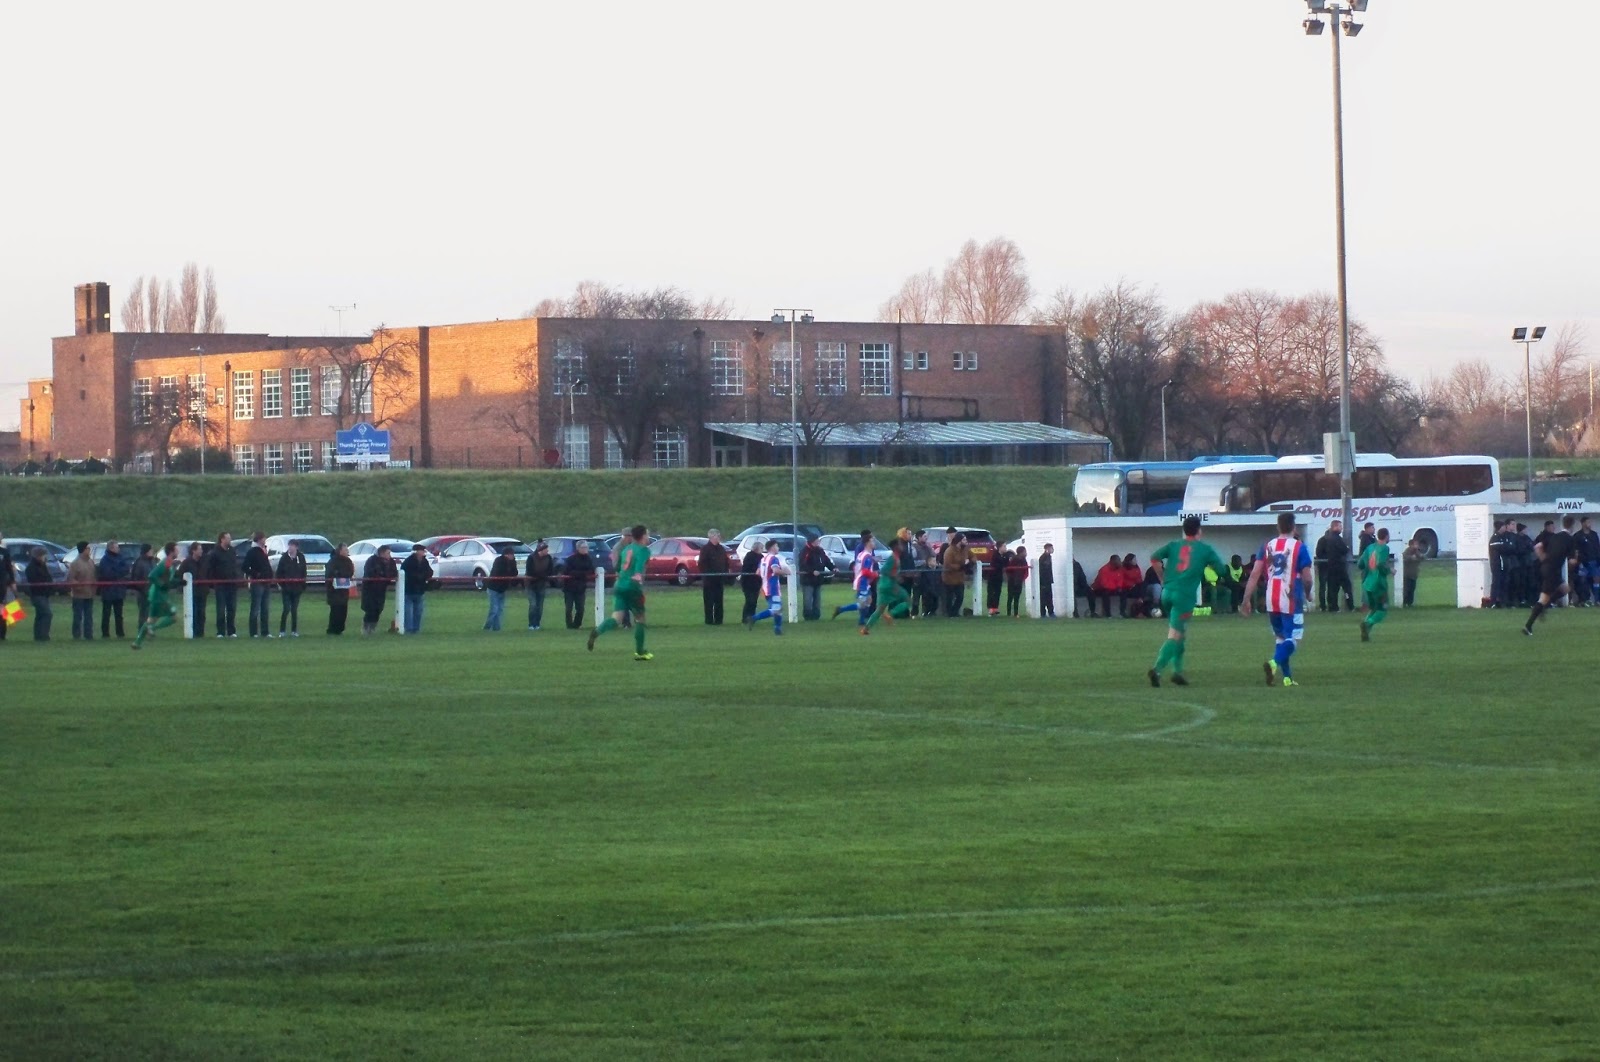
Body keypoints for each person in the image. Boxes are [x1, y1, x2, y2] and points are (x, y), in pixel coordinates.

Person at [1147, 516, 1227, 688]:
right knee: (1175, 635)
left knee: (1180, 633)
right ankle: (1157, 669)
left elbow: (1154, 558)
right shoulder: (1205, 549)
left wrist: (1162, 577)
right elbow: (1221, 570)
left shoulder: (1174, 544)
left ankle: (1177, 672)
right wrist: (1210, 568)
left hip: (1167, 593)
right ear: (1199, 530)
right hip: (1184, 596)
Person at [1241, 512, 1314, 687]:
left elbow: (1254, 575)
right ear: (1294, 528)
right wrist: (1308, 592)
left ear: (1278, 527)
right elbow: (1308, 577)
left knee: (1281, 638)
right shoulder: (1299, 547)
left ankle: (1287, 678)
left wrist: (1246, 600)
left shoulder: (1267, 546)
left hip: (1271, 599)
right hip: (1290, 598)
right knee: (1293, 640)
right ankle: (1273, 663)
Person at [587, 524, 653, 660]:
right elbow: (640, 566)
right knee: (640, 619)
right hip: (632, 586)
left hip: (619, 585)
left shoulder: (626, 549)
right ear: (642, 537)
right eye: (647, 534)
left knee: (616, 618)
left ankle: (597, 631)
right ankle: (640, 652)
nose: (648, 537)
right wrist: (638, 575)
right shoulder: (644, 550)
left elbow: (617, 566)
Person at [1524, 515, 1575, 636]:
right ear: (1572, 525)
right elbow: (1572, 560)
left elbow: (1537, 547)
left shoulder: (1554, 536)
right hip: (1553, 571)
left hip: (1546, 568)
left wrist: (1543, 559)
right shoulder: (1570, 539)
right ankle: (1529, 624)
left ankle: (1542, 609)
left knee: (1565, 589)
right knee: (1544, 598)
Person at [130, 543, 180, 650]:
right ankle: (152, 628)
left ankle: (137, 642)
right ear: (172, 551)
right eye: (177, 549)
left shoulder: (169, 563)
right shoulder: (166, 563)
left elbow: (166, 580)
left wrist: (178, 582)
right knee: (174, 616)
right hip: (160, 596)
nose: (178, 551)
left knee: (150, 620)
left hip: (156, 596)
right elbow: (152, 576)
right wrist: (161, 584)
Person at [864, 530, 914, 630]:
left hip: (882, 585)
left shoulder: (895, 557)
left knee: (879, 609)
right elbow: (884, 570)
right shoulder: (893, 558)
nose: (902, 546)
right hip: (889, 584)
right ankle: (890, 614)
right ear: (896, 547)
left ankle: (865, 629)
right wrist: (895, 579)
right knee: (908, 601)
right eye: (900, 545)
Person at [833, 530, 881, 631]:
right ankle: (841, 609)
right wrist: (875, 574)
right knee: (862, 604)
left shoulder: (862, 554)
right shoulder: (866, 556)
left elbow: (859, 567)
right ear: (868, 543)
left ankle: (861, 620)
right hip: (863, 582)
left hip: (861, 581)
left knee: (868, 601)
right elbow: (865, 571)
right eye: (872, 541)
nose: (874, 543)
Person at [745, 539, 789, 635]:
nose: (778, 548)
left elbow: (758, 572)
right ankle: (753, 618)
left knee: (777, 609)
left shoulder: (763, 559)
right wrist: (786, 572)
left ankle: (778, 629)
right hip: (772, 587)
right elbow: (776, 570)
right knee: (777, 609)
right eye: (777, 546)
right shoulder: (773, 558)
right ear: (772, 547)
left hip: (765, 588)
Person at [204, 533, 239, 637]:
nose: (230, 540)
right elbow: (209, 568)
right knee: (220, 609)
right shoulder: (215, 553)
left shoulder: (232, 551)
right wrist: (213, 582)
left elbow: (234, 566)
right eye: (228, 538)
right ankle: (220, 632)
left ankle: (231, 631)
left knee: (232, 608)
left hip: (232, 584)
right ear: (222, 539)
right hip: (220, 585)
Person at [96, 539, 132, 639]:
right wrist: (119, 573)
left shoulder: (120, 557)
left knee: (119, 614)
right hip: (108, 590)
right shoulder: (105, 560)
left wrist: (118, 572)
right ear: (111, 548)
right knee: (106, 613)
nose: (119, 549)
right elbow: (108, 574)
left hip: (119, 590)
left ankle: (120, 633)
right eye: (117, 547)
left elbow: (126, 569)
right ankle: (105, 633)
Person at [1315, 520, 1353, 612]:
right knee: (1346, 587)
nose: (1341, 528)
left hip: (1331, 567)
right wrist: (1346, 548)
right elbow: (1344, 549)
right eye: (1340, 526)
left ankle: (1332, 606)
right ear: (1334, 527)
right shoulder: (1337, 539)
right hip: (1339, 566)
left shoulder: (1326, 539)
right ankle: (1350, 605)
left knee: (1333, 588)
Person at [242, 531, 274, 638]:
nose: (265, 540)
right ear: (260, 539)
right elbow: (245, 567)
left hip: (266, 582)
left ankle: (265, 631)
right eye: (264, 538)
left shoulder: (263, 550)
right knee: (255, 608)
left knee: (265, 608)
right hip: (257, 583)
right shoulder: (252, 551)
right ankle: (254, 632)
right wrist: (256, 574)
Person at [360, 544, 397, 635]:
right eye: (388, 553)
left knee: (379, 609)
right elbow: (370, 573)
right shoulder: (371, 560)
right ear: (382, 553)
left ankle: (372, 628)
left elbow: (394, 572)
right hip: (370, 589)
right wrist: (381, 575)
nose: (389, 555)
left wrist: (387, 577)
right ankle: (366, 628)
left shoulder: (391, 562)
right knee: (370, 609)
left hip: (381, 589)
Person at [796, 532, 833, 622]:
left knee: (817, 599)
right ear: (812, 541)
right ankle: (808, 616)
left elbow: (826, 560)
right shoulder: (805, 551)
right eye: (817, 540)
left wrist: (833, 567)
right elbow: (802, 564)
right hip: (808, 580)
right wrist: (812, 571)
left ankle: (816, 616)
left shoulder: (820, 550)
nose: (819, 542)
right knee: (808, 599)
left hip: (818, 579)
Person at [275, 540, 307, 637]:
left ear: (296, 547)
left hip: (297, 588)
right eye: (289, 546)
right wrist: (281, 584)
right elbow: (279, 573)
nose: (290, 548)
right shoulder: (284, 558)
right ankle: (282, 631)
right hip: (286, 588)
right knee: (286, 609)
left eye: (292, 546)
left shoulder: (301, 557)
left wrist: (302, 585)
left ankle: (294, 631)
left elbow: (304, 572)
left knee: (294, 610)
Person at [484, 543, 520, 631]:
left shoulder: (512, 562)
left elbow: (515, 573)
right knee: (494, 609)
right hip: (493, 588)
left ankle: (496, 628)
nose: (513, 556)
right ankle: (487, 627)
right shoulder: (498, 561)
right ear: (507, 554)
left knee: (500, 610)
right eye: (511, 554)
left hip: (502, 589)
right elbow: (499, 573)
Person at [399, 542, 433, 634]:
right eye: (422, 551)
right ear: (417, 552)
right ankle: (409, 629)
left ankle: (416, 629)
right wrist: (419, 577)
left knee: (418, 611)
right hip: (409, 590)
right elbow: (407, 574)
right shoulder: (408, 562)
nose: (423, 553)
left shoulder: (424, 561)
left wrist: (423, 576)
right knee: (408, 612)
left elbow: (430, 572)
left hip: (420, 590)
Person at [177, 542, 209, 637]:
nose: (201, 551)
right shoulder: (186, 563)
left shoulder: (204, 561)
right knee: (193, 612)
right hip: (192, 592)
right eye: (199, 549)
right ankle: (193, 632)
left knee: (201, 613)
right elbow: (179, 575)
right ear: (193, 551)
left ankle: (200, 633)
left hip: (202, 591)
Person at [699, 530, 731, 625]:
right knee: (709, 601)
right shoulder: (705, 549)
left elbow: (726, 562)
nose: (719, 538)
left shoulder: (721, 549)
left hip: (720, 579)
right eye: (717, 536)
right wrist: (708, 574)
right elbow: (702, 564)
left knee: (719, 601)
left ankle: (719, 620)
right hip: (709, 580)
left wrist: (725, 572)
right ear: (712, 537)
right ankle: (709, 621)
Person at [562, 539, 595, 629]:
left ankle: (577, 624)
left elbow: (591, 570)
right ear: (578, 548)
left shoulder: (588, 559)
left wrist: (580, 574)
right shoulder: (571, 559)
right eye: (583, 547)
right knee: (569, 608)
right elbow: (568, 572)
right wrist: (582, 574)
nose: (585, 549)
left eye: (586, 547)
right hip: (569, 587)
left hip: (581, 587)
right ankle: (569, 625)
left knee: (580, 609)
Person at [24, 546, 54, 641]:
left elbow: (49, 578)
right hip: (37, 594)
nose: (45, 557)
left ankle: (38, 635)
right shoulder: (31, 568)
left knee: (40, 615)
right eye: (43, 555)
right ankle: (43, 635)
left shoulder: (42, 566)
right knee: (47, 614)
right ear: (38, 556)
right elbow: (36, 580)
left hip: (44, 594)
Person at [68, 541, 97, 640]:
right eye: (88, 548)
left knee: (89, 616)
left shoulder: (90, 562)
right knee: (78, 616)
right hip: (78, 595)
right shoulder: (75, 564)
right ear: (83, 549)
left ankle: (88, 634)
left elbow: (94, 576)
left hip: (90, 594)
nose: (90, 550)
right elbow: (71, 579)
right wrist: (79, 587)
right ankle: (76, 635)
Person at [525, 540, 555, 630]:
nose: (547, 551)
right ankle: (531, 624)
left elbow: (550, 570)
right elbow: (530, 571)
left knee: (540, 606)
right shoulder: (531, 558)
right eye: (546, 549)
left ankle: (537, 624)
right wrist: (542, 575)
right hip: (531, 585)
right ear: (541, 550)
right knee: (533, 605)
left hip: (541, 584)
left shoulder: (548, 558)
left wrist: (543, 576)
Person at [326, 543, 354, 635]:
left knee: (343, 609)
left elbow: (350, 572)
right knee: (335, 610)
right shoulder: (333, 561)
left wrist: (344, 575)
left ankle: (340, 629)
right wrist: (339, 574)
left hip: (344, 589)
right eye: (345, 550)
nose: (347, 552)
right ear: (340, 551)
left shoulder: (348, 561)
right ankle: (332, 629)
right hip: (334, 590)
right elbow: (331, 573)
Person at [941, 532, 970, 617]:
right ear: (959, 541)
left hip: (959, 578)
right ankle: (950, 613)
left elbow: (972, 556)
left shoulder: (965, 549)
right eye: (964, 539)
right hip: (949, 578)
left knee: (960, 597)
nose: (966, 541)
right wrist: (961, 566)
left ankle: (954, 612)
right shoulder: (949, 551)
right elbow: (947, 564)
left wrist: (971, 561)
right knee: (949, 597)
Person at [912, 529, 940, 616]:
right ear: (919, 537)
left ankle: (925, 612)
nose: (926, 538)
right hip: (917, 575)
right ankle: (914, 613)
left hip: (927, 575)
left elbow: (933, 555)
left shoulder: (926, 547)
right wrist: (923, 562)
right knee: (916, 595)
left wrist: (929, 547)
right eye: (924, 536)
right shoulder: (914, 547)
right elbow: (912, 561)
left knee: (926, 594)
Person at [1092, 553, 1126, 618]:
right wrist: (1115, 588)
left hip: (1113, 588)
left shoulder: (1119, 569)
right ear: (1113, 561)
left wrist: (1119, 587)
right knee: (1105, 593)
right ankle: (1108, 614)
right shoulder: (1104, 570)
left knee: (1124, 592)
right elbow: (1104, 584)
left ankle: (1122, 612)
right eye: (1118, 560)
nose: (1120, 562)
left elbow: (1120, 579)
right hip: (1101, 588)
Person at [1576, 516, 1600, 607]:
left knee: (1596, 579)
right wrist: (1580, 560)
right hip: (1583, 562)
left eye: (1590, 522)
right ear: (1582, 524)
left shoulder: (1594, 534)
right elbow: (1576, 550)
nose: (1590, 524)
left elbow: (1597, 547)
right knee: (1583, 580)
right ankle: (1585, 600)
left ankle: (1597, 600)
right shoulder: (1578, 535)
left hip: (1594, 561)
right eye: (1587, 522)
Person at [738, 545, 763, 624]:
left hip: (756, 583)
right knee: (749, 601)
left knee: (754, 601)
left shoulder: (761, 557)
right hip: (748, 582)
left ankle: (752, 618)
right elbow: (748, 568)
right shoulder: (749, 556)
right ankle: (745, 618)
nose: (762, 550)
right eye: (761, 548)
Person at [0, 533, 17, 643]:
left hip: (2, 585)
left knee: (4, 610)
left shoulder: (4, 552)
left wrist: (12, 581)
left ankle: (2, 634)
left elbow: (8, 568)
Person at [1401, 537, 1424, 608]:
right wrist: (1411, 557)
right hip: (1407, 574)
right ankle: (1405, 603)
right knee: (1406, 590)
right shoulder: (1407, 551)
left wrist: (1420, 555)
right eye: (1415, 544)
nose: (1417, 546)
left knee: (1412, 589)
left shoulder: (1417, 552)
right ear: (1411, 545)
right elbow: (1404, 557)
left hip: (1414, 574)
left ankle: (1410, 603)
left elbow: (1422, 557)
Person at [1037, 543, 1056, 618]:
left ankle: (1051, 612)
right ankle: (1043, 613)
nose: (1052, 550)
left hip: (1048, 581)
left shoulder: (1049, 557)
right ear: (1047, 549)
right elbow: (1042, 570)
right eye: (1051, 548)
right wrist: (1042, 582)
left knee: (1049, 597)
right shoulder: (1042, 558)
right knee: (1043, 598)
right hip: (1044, 582)